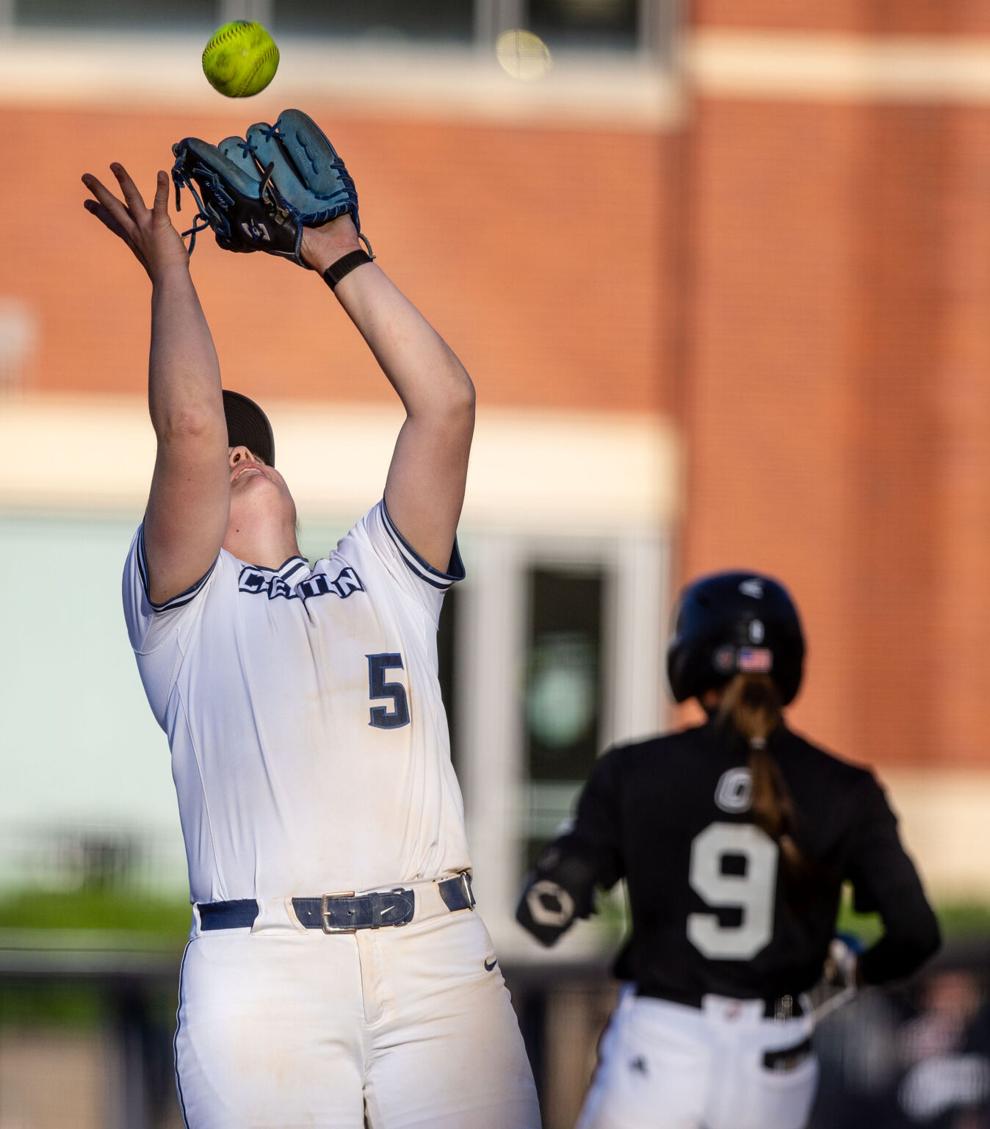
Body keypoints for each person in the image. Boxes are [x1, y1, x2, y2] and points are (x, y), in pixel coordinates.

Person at [82, 127, 540, 1129]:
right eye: (220, 458)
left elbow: (447, 407)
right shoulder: (182, 609)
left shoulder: (381, 571)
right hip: (267, 973)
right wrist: (171, 270)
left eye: (259, 448)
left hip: (437, 961)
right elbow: (194, 427)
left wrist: (338, 258)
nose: (237, 454)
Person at [516, 570, 941, 1129]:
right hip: (777, 1051)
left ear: (691, 655)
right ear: (789, 663)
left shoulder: (637, 770)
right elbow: (915, 933)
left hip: (663, 1043)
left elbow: (544, 912)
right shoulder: (845, 788)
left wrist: (562, 880)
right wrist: (844, 973)